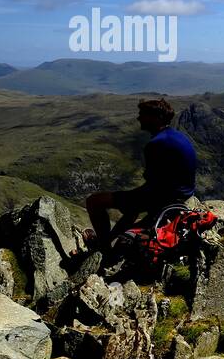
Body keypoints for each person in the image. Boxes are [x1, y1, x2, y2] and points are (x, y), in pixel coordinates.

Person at [84, 98, 197, 249]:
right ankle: (107, 240)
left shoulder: (156, 143)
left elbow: (152, 186)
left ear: (157, 118)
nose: (139, 118)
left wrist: (132, 205)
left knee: (94, 201)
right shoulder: (176, 135)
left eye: (143, 114)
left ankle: (103, 245)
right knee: (132, 206)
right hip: (182, 193)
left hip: (166, 196)